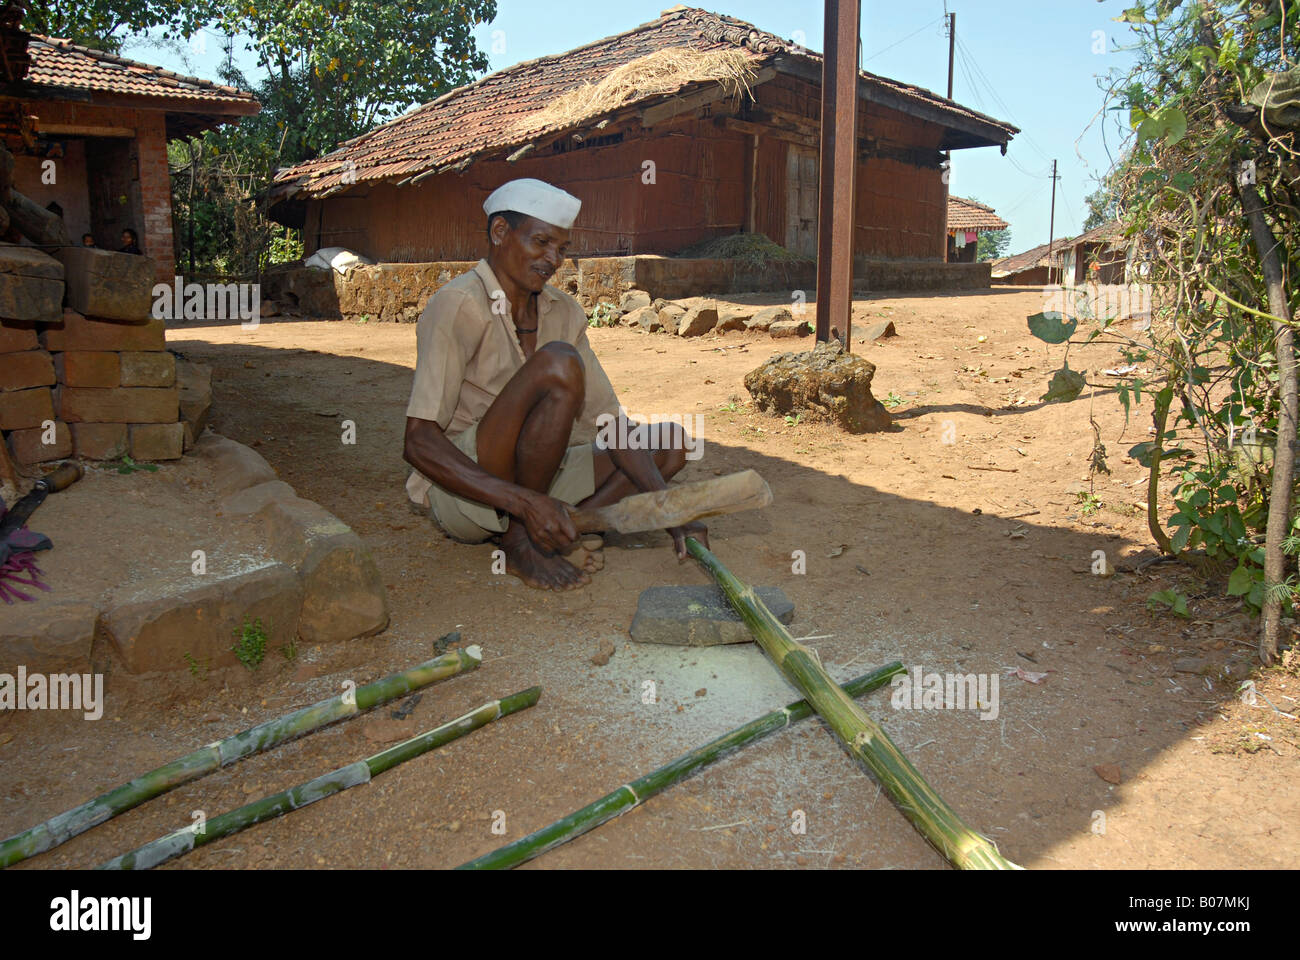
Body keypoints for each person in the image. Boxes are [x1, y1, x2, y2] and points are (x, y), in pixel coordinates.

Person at [403, 178, 707, 591]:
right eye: (541, 242)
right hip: (468, 492)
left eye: (561, 249)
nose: (553, 259)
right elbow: (419, 441)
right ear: (499, 233)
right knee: (558, 364)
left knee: (671, 442)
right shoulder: (459, 305)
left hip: (542, 477)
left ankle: (563, 529)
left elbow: (611, 424)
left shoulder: (564, 311)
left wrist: (671, 510)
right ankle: (519, 539)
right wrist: (525, 504)